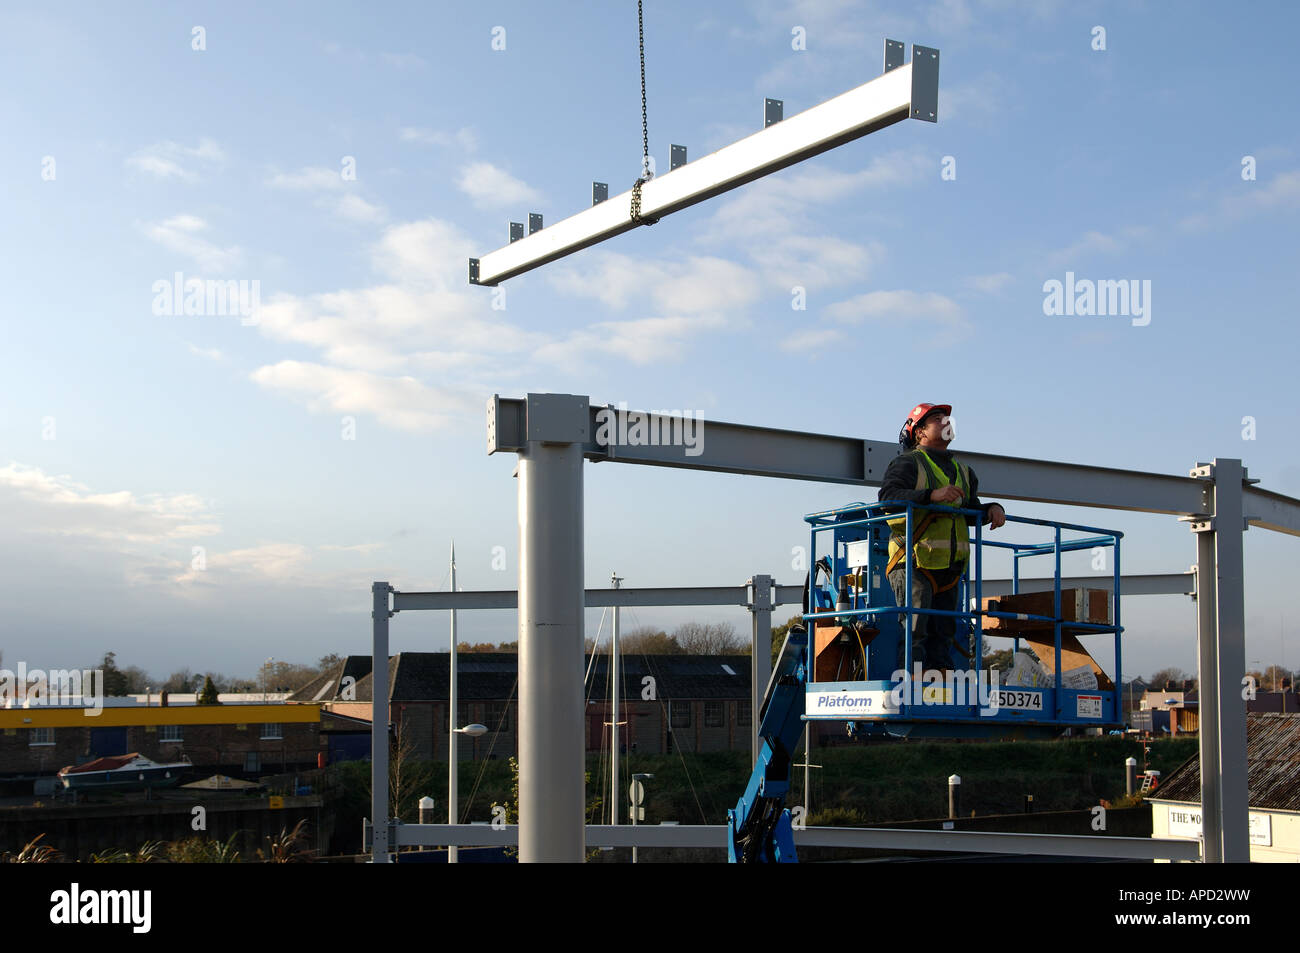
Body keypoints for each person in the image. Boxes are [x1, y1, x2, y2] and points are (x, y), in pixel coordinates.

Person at [878, 403, 1006, 674]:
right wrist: (930, 496)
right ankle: (911, 687)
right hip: (914, 562)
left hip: (950, 568)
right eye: (937, 419)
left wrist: (992, 509)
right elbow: (888, 499)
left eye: (947, 418)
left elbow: (969, 510)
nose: (946, 421)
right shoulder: (908, 462)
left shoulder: (964, 471)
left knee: (944, 633)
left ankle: (941, 688)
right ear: (919, 432)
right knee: (916, 631)